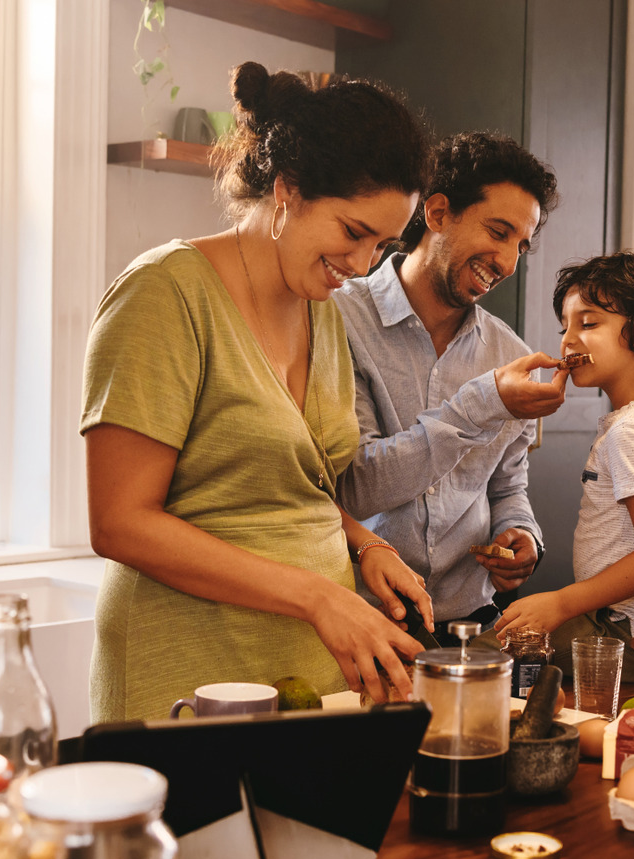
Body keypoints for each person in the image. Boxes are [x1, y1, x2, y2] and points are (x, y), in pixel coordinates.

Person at [80, 62, 434, 722]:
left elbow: (282, 487)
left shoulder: (323, 311)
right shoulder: (164, 293)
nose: (363, 265)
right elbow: (119, 522)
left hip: (308, 680)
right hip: (186, 680)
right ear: (287, 189)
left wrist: (364, 543)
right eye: (353, 232)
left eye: (383, 245)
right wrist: (318, 597)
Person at [334, 133, 563, 640]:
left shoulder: (509, 354)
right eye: (498, 232)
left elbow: (507, 486)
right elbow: (355, 487)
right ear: (437, 213)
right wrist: (483, 403)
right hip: (362, 624)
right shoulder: (338, 320)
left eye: (521, 246)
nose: (508, 262)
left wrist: (522, 534)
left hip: (471, 627)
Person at [491, 249, 634, 680]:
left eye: (589, 323)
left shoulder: (631, 432)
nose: (567, 341)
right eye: (565, 327)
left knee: (486, 660)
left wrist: (560, 603)